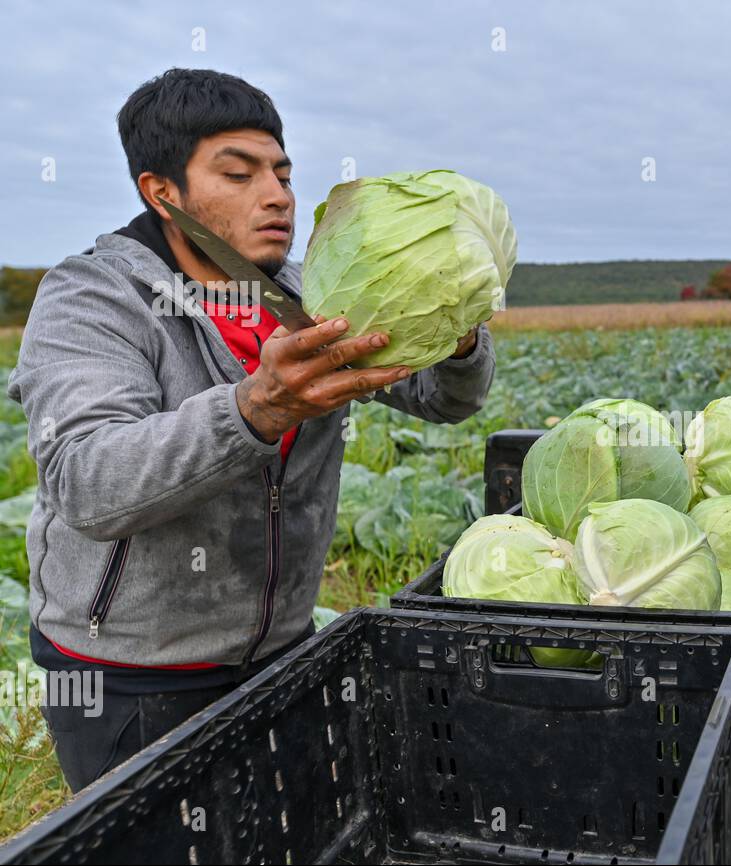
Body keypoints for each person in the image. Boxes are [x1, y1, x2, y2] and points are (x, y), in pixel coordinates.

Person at [7, 68, 496, 792]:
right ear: (161, 191)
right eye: (238, 173)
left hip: (280, 655)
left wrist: (451, 331)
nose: (278, 196)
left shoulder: (308, 294)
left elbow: (443, 399)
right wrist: (254, 410)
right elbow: (92, 481)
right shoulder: (93, 297)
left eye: (282, 172)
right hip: (133, 677)